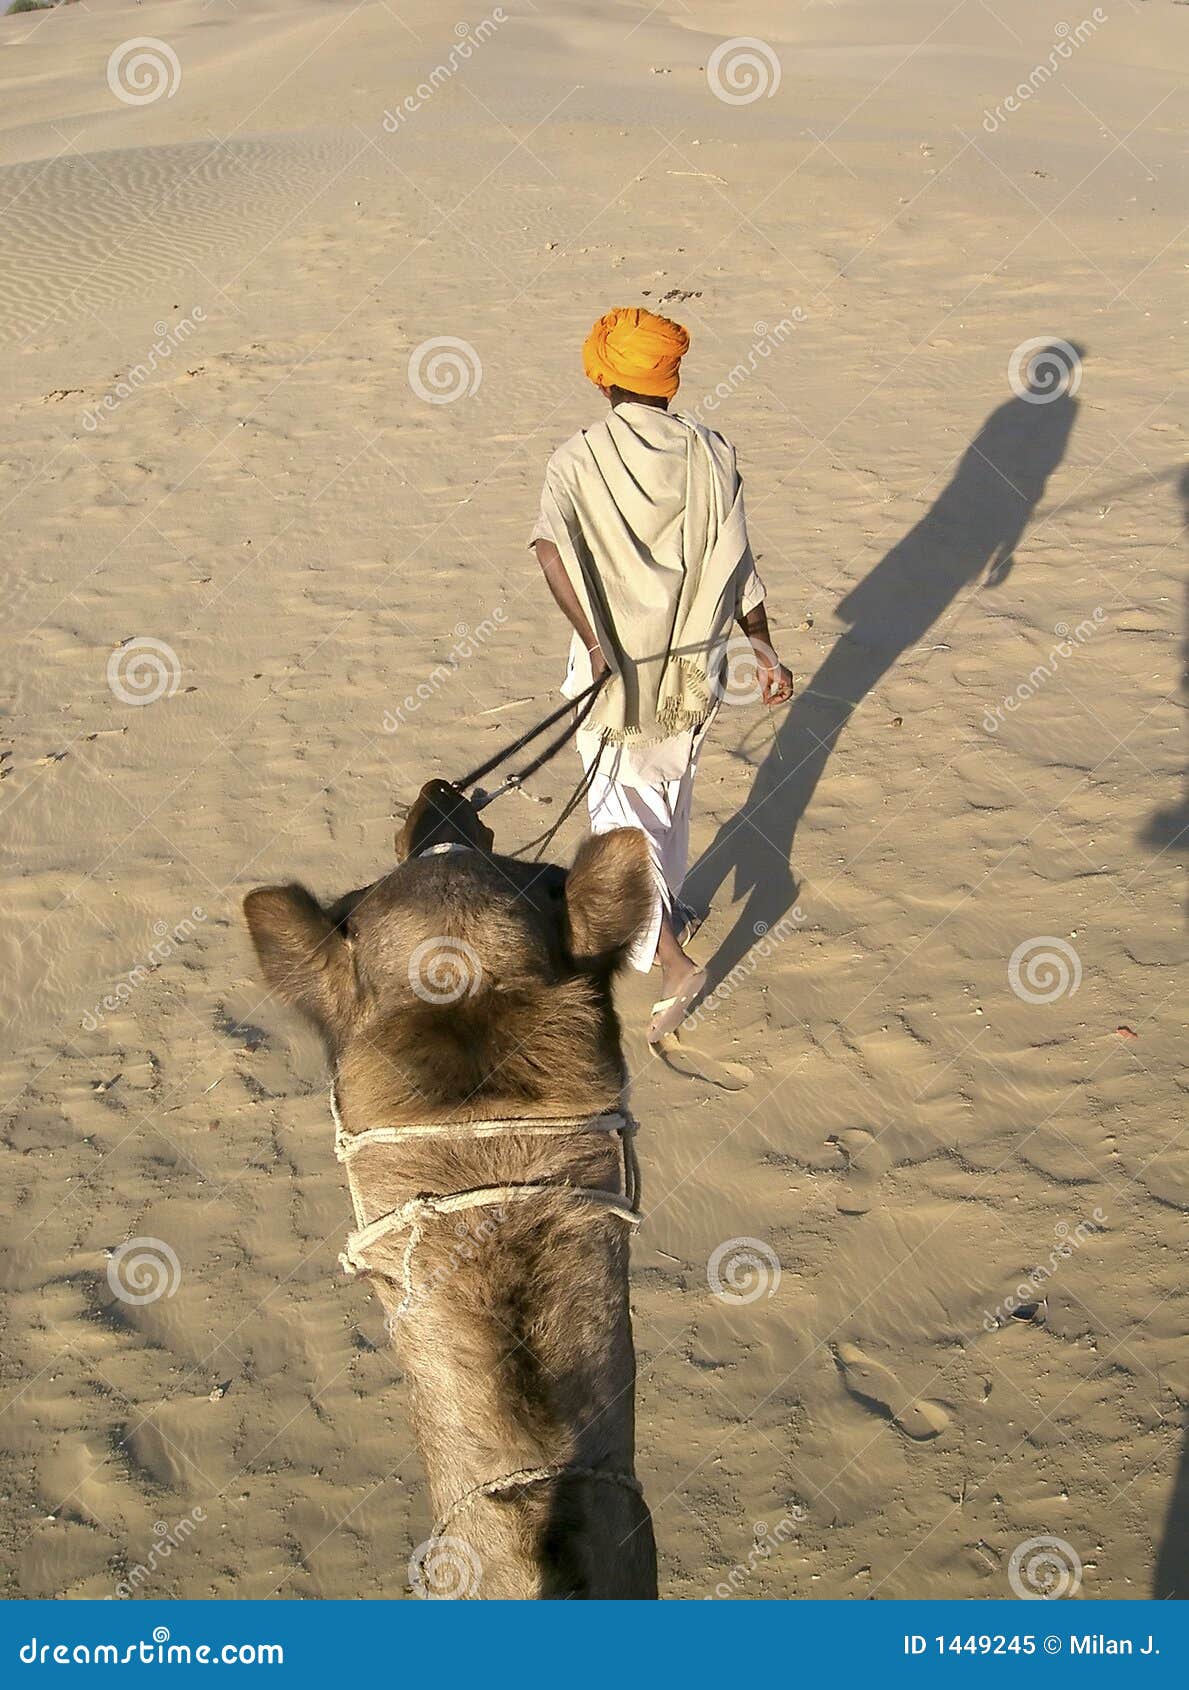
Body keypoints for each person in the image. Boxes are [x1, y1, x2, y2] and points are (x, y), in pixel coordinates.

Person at [530, 306, 794, 1040]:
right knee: (668, 801)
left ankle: (672, 961)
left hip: (614, 681)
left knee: (617, 829)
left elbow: (551, 555)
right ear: (666, 381)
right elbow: (736, 561)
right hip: (691, 676)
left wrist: (594, 643)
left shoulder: (575, 459)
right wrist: (761, 646)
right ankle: (669, 908)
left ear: (602, 375)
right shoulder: (710, 453)